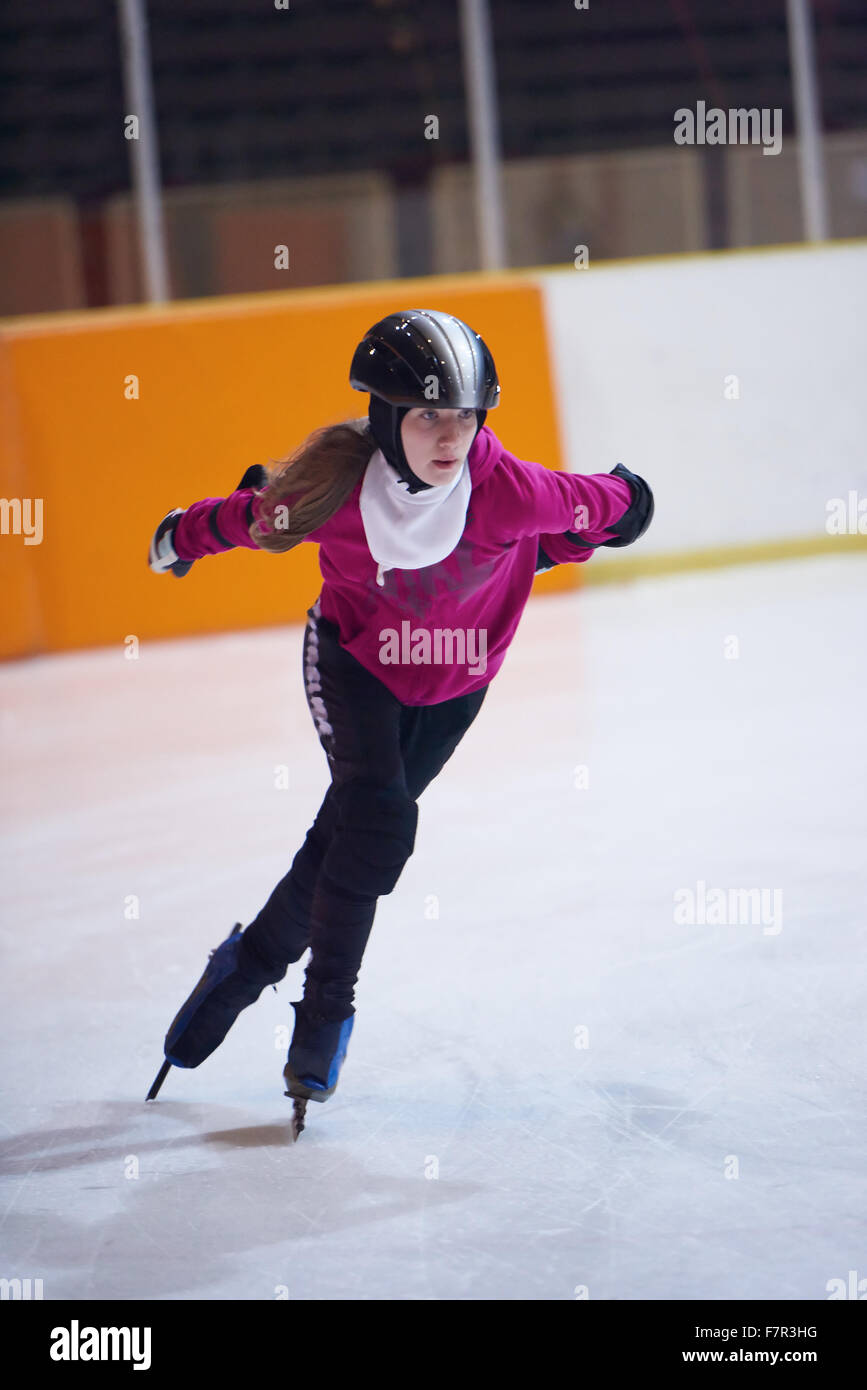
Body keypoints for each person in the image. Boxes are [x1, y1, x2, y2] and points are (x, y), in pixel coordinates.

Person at [145, 308, 653, 1136]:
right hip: (354, 666)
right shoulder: (334, 494)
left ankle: (244, 968)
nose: (448, 436)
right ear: (385, 417)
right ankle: (324, 1018)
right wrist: (179, 538)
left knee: (342, 838)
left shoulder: (512, 492)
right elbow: (248, 517)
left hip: (454, 684)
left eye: (463, 415)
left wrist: (614, 514)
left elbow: (608, 503)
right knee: (377, 823)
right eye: (424, 415)